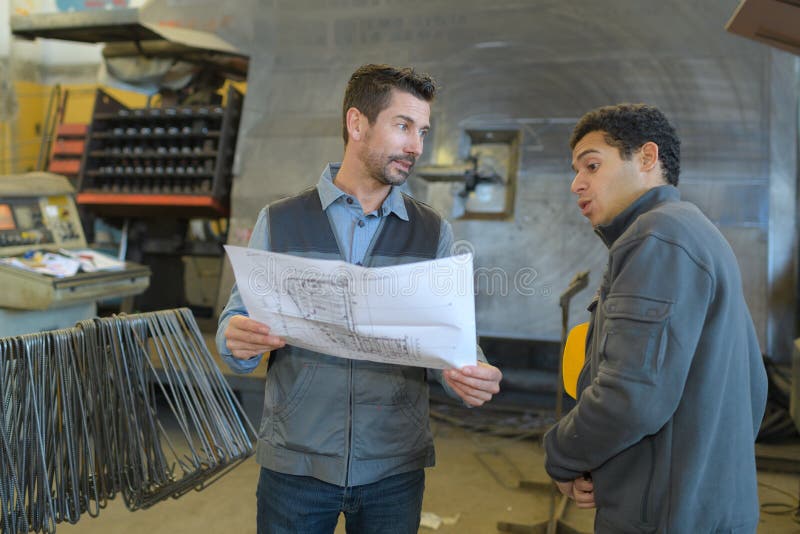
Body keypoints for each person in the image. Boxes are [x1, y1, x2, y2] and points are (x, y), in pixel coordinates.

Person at [217, 64, 503, 534]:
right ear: (357, 124)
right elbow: (237, 322)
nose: (416, 145)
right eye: (403, 125)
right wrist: (236, 338)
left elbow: (452, 339)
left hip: (392, 467)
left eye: (423, 131)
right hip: (297, 464)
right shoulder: (282, 220)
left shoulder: (431, 232)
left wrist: (470, 372)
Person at [544, 103, 768, 533]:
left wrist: (562, 454)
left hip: (664, 517)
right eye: (575, 171)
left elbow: (630, 396)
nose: (576, 184)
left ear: (647, 158)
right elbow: (753, 389)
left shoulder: (657, 238)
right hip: (707, 507)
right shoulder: (693, 231)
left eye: (591, 165)